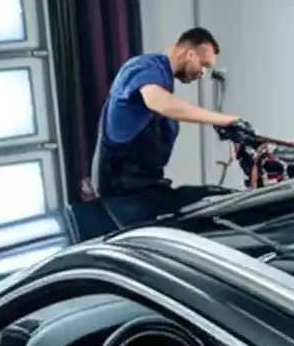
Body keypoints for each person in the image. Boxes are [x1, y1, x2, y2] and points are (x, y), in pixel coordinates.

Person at [87, 27, 256, 229]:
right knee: (212, 223)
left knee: (221, 199)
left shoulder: (162, 84)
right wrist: (225, 120)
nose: (202, 74)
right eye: (203, 65)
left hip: (150, 189)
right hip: (127, 195)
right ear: (189, 53)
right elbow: (160, 102)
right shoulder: (145, 67)